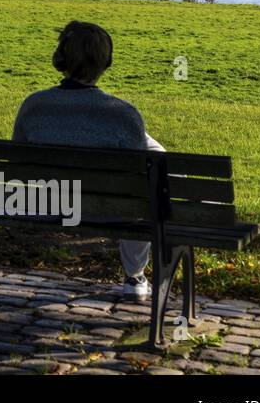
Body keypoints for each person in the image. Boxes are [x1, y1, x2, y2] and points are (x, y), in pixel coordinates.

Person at [12, 21, 164, 300]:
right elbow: (138, 176)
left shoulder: (33, 106)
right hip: (109, 209)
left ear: (61, 59)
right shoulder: (123, 115)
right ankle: (135, 276)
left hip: (44, 204)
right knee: (148, 187)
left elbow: (17, 161)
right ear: (106, 63)